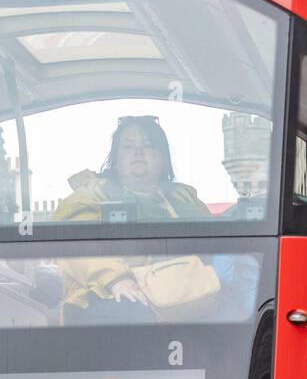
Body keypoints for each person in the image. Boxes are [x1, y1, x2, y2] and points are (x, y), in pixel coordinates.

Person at [53, 116, 213, 323]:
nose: (138, 152)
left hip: (190, 293)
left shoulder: (185, 196)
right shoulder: (90, 197)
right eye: (128, 147)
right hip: (118, 295)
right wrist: (116, 279)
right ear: (116, 158)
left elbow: (219, 243)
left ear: (162, 157)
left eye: (148, 145)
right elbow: (74, 246)